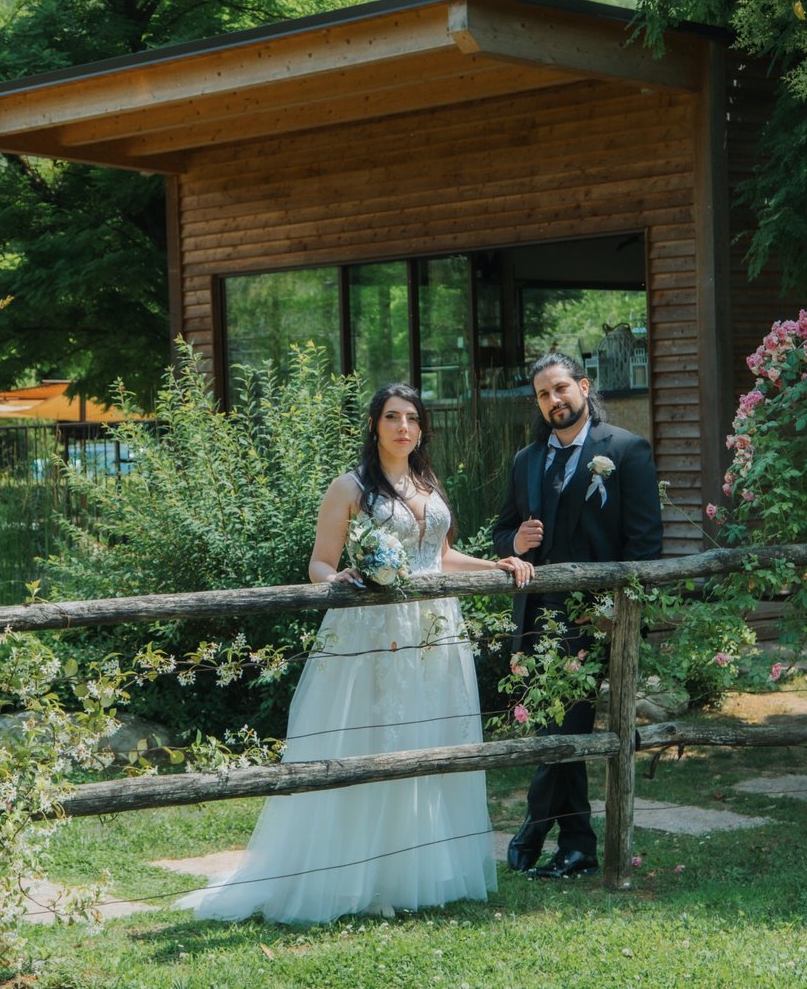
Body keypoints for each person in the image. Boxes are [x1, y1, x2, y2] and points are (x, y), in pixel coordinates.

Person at [180, 382, 533, 923]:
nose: (403, 428)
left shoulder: (428, 482)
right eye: (392, 417)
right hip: (375, 629)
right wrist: (344, 576)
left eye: (412, 418)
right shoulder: (349, 488)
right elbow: (319, 563)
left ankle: (417, 871)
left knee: (430, 738)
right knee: (375, 739)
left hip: (436, 629)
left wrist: (499, 564)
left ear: (421, 428)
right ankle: (363, 878)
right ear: (375, 426)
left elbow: (440, 558)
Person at [493, 350, 662, 879]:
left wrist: (617, 614)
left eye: (561, 388)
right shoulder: (526, 461)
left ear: (584, 388)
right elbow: (502, 534)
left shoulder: (627, 451)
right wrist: (515, 541)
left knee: (563, 728)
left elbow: (645, 544)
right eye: (543, 394)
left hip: (596, 620)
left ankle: (534, 829)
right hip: (537, 619)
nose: (554, 401)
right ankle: (579, 845)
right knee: (556, 729)